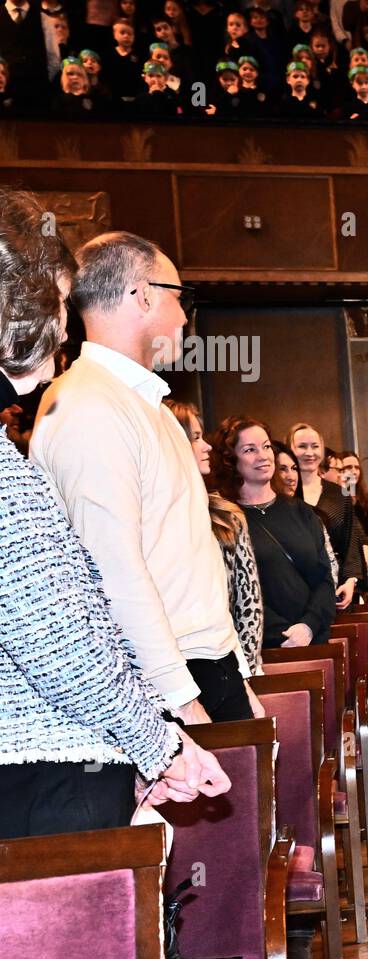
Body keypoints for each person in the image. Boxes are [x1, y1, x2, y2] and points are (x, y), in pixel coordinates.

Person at [0, 187, 229, 840]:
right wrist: (160, 739)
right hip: (38, 778)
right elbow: (56, 630)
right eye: (55, 303)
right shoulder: (85, 407)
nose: (67, 327)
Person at [31, 231, 260, 726]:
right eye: (181, 299)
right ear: (144, 295)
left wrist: (234, 670)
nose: (184, 317)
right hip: (160, 678)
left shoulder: (145, 403)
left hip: (205, 662)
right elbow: (112, 567)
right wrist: (178, 695)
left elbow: (184, 556)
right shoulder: (88, 404)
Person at [212, 417, 338, 649]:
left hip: (314, 642)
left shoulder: (302, 512)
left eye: (266, 446)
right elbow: (228, 592)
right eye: (250, 450)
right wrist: (282, 635)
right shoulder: (223, 518)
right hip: (261, 648)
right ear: (230, 460)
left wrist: (308, 626)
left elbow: (324, 579)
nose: (263, 455)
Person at [164, 399, 265, 674]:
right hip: (170, 668)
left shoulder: (225, 516)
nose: (207, 446)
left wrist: (246, 675)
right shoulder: (153, 520)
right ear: (175, 443)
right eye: (196, 438)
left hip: (227, 665)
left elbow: (249, 607)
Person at [288, 421, 365, 609]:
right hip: (295, 591)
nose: (309, 452)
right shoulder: (282, 496)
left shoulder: (340, 494)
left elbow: (351, 542)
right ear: (290, 450)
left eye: (315, 446)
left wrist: (350, 581)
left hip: (336, 588)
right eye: (302, 446)